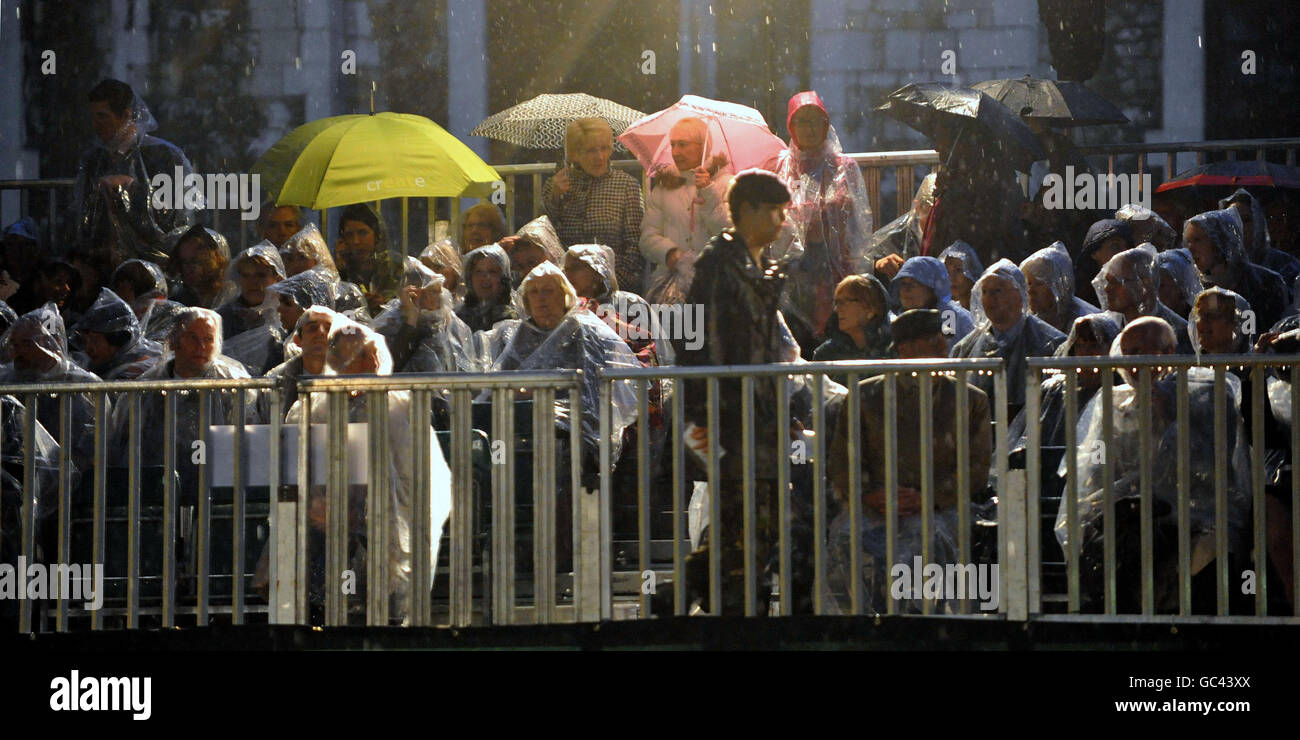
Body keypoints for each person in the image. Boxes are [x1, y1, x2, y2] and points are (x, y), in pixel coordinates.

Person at [1057, 316, 1252, 614]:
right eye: (1130, 352)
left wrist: (1169, 417)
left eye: (1145, 351)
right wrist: (1101, 497)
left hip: (1198, 517)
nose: (1137, 362)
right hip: (1128, 516)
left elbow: (1212, 465)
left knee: (1209, 550)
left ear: (1170, 353)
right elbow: (1095, 465)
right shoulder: (1111, 402)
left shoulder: (1207, 393)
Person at [673, 169, 803, 614]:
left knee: (754, 524)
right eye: (775, 211)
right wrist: (705, 416)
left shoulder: (753, 268)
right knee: (744, 525)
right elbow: (697, 344)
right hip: (730, 416)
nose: (782, 221)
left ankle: (695, 591)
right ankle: (729, 611)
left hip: (756, 415)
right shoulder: (720, 267)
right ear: (747, 211)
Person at [286, 315, 451, 625]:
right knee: (308, 525)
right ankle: (318, 613)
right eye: (360, 352)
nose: (372, 359)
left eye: (373, 350)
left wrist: (362, 511)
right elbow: (299, 468)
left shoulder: (402, 404)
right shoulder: (313, 405)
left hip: (389, 513)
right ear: (338, 360)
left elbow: (412, 475)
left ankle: (387, 614)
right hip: (329, 514)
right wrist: (322, 504)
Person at [826, 308, 992, 614]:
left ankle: (924, 625)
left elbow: (976, 469)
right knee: (844, 541)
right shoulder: (864, 397)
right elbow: (842, 462)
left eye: (942, 339)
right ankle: (852, 629)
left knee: (926, 540)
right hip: (872, 505)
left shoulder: (971, 400)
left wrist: (929, 497)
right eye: (932, 340)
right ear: (905, 349)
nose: (944, 347)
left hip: (943, 507)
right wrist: (872, 495)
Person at [478, 262, 640, 569]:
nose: (540, 298)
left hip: (577, 433)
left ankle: (556, 555)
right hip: (522, 428)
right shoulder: (524, 335)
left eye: (548, 291)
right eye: (534, 292)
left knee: (555, 453)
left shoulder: (582, 330)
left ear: (565, 295)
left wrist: (534, 394)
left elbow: (589, 394)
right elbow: (499, 387)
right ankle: (501, 551)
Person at [111, 308, 258, 501]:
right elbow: (123, 445)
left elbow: (249, 441)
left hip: (220, 493)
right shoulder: (146, 389)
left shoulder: (233, 384)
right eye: (193, 338)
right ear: (174, 341)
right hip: (157, 495)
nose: (201, 346)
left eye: (209, 339)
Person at [775, 90, 874, 342]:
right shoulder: (783, 166)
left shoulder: (843, 166)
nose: (809, 128)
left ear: (826, 126)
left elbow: (846, 208)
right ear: (791, 126)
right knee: (797, 332)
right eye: (802, 121)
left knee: (833, 329)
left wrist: (806, 212)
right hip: (794, 266)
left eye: (815, 121)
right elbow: (779, 212)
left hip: (835, 263)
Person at [68, 79, 194, 263]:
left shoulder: (163, 156)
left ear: (126, 115)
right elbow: (84, 219)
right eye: (94, 117)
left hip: (152, 264)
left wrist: (132, 188)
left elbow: (174, 218)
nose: (96, 124)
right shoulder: (93, 160)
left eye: (103, 116)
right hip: (103, 263)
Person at [951, 259, 1066, 417]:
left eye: (997, 291)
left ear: (1019, 294)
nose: (990, 298)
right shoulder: (965, 348)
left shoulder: (1051, 343)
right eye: (985, 292)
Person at [542, 118, 646, 294]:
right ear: (575, 153)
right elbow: (547, 239)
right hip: (567, 287)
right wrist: (555, 197)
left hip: (612, 287)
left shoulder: (626, 185)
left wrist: (610, 284)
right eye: (590, 150)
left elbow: (635, 246)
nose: (599, 157)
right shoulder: (560, 184)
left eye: (604, 148)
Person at [639, 117, 734, 304]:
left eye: (682, 145)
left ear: (703, 146)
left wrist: (709, 193)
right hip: (669, 288)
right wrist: (669, 253)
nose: (675, 152)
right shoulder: (664, 186)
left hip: (715, 286)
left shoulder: (726, 184)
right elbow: (647, 238)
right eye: (673, 145)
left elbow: (729, 234)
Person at [0, 304, 101, 475]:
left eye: (27, 343)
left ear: (53, 343)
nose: (18, 351)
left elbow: (88, 447)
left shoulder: (83, 385)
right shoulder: (7, 380)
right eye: (14, 344)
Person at [1184, 207, 1290, 332]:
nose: (1190, 248)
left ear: (1219, 240)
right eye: (1188, 241)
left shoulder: (1265, 282)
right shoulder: (1191, 287)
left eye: (1197, 240)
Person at [370, 257, 475, 374]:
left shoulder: (452, 325)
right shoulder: (391, 323)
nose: (428, 298)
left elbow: (466, 368)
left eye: (433, 292)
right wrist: (411, 320)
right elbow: (388, 367)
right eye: (421, 292)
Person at [71, 287, 163, 380]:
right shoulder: (95, 366)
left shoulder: (139, 370)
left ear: (117, 340)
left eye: (95, 341)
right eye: (86, 341)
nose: (88, 349)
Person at [889, 256, 975, 350]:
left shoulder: (949, 317)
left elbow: (948, 351)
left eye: (913, 284)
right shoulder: (893, 319)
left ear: (932, 288)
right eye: (903, 284)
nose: (906, 290)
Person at [1219, 188, 1300, 287]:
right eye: (1233, 219)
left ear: (1258, 222)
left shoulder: (1286, 266)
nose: (1239, 225)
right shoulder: (1216, 267)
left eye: (1246, 220)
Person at [335, 203, 403, 315]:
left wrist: (384, 303)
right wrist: (339, 268)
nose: (356, 241)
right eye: (349, 235)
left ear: (377, 235)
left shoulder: (393, 266)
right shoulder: (342, 270)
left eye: (363, 233)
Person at [866, 175, 936, 282]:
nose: (936, 222)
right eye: (932, 215)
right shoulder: (895, 238)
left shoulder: (956, 238)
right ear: (917, 208)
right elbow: (865, 262)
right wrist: (878, 264)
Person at [1019, 242, 1099, 335]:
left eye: (1039, 283)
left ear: (1060, 285)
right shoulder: (1024, 325)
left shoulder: (1089, 321)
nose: (1030, 291)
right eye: (1028, 283)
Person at [813, 274, 893, 364]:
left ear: (871, 308)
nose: (837, 309)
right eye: (837, 303)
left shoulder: (895, 348)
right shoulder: (826, 355)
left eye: (845, 302)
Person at [216, 242, 286, 339]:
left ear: (278, 279)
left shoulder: (287, 315)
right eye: (245, 276)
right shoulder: (222, 318)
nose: (252, 282)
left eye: (261, 275)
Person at [167, 225, 237, 309]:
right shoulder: (177, 302)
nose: (189, 268)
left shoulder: (235, 300)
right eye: (184, 261)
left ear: (216, 259)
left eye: (196, 261)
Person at [454, 244, 518, 333]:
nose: (485, 278)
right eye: (478, 272)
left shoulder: (512, 319)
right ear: (469, 279)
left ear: (503, 279)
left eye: (492, 272)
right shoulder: (458, 319)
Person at [1075, 218, 1134, 307]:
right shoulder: (1081, 299)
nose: (1124, 252)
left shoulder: (1138, 289)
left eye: (1128, 246)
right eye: (1115, 246)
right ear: (1094, 253)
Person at [499, 215, 566, 290]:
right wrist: (495, 254)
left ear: (552, 254)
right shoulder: (517, 292)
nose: (528, 273)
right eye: (521, 267)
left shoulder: (574, 289)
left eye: (532, 263)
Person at [1154, 248, 1203, 320]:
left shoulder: (1200, 325)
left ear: (1182, 288)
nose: (1155, 291)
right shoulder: (1152, 323)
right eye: (1154, 284)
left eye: (1161, 285)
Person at [940, 240, 984, 311]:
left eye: (958, 270)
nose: (951, 277)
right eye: (946, 271)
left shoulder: (985, 313)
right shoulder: (942, 312)